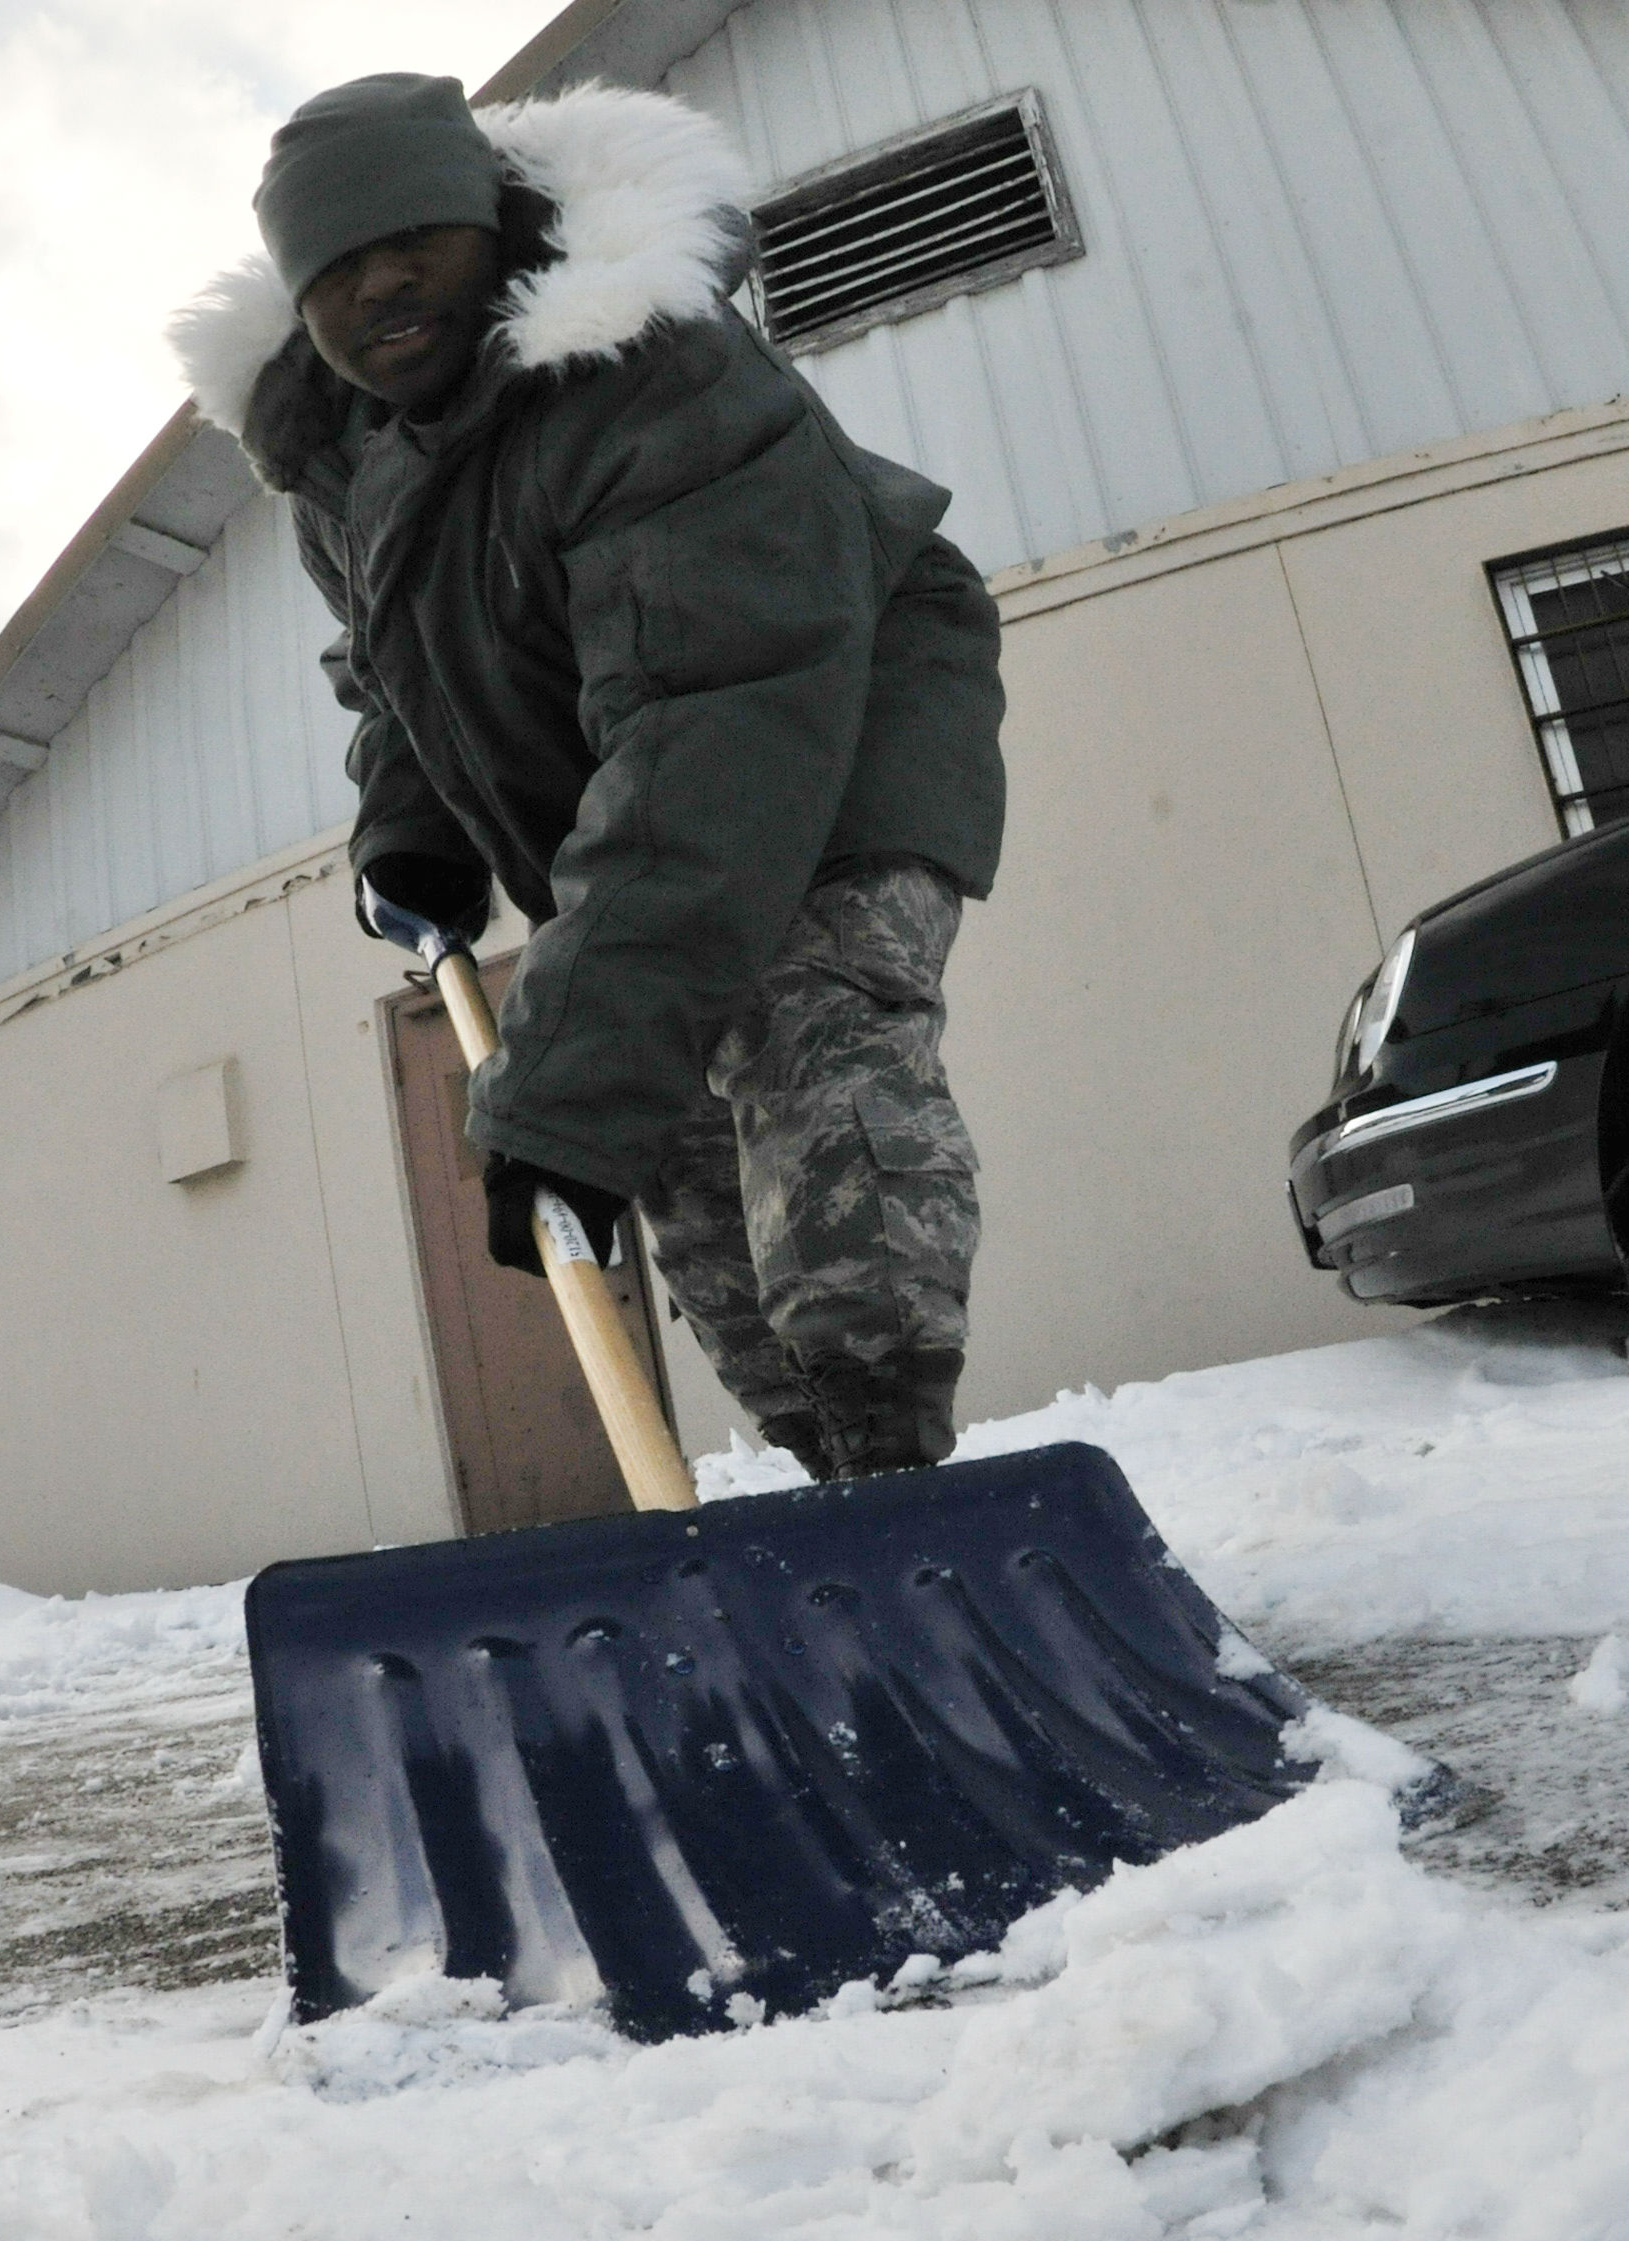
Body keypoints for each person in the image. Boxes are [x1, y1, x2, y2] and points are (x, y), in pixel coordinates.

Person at [170, 74, 1006, 1481]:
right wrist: (412, 826)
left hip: (827, 723)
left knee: (803, 1020)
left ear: (493, 223)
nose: (382, 282)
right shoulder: (342, 460)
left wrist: (563, 1093)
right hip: (625, 789)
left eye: (417, 237)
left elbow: (710, 733)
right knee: (662, 1136)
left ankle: (890, 1454)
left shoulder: (654, 376)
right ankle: (824, 1471)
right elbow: (395, 671)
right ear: (298, 301)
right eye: (338, 266)